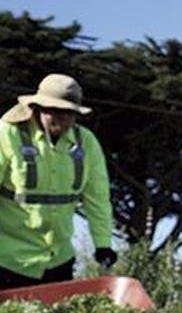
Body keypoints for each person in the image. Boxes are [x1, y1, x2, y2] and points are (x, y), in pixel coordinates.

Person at [0, 74, 116, 290]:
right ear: (37, 107)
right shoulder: (8, 134)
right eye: (54, 111)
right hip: (8, 262)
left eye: (68, 113)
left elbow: (98, 199)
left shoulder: (86, 143)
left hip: (58, 262)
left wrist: (103, 244)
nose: (61, 119)